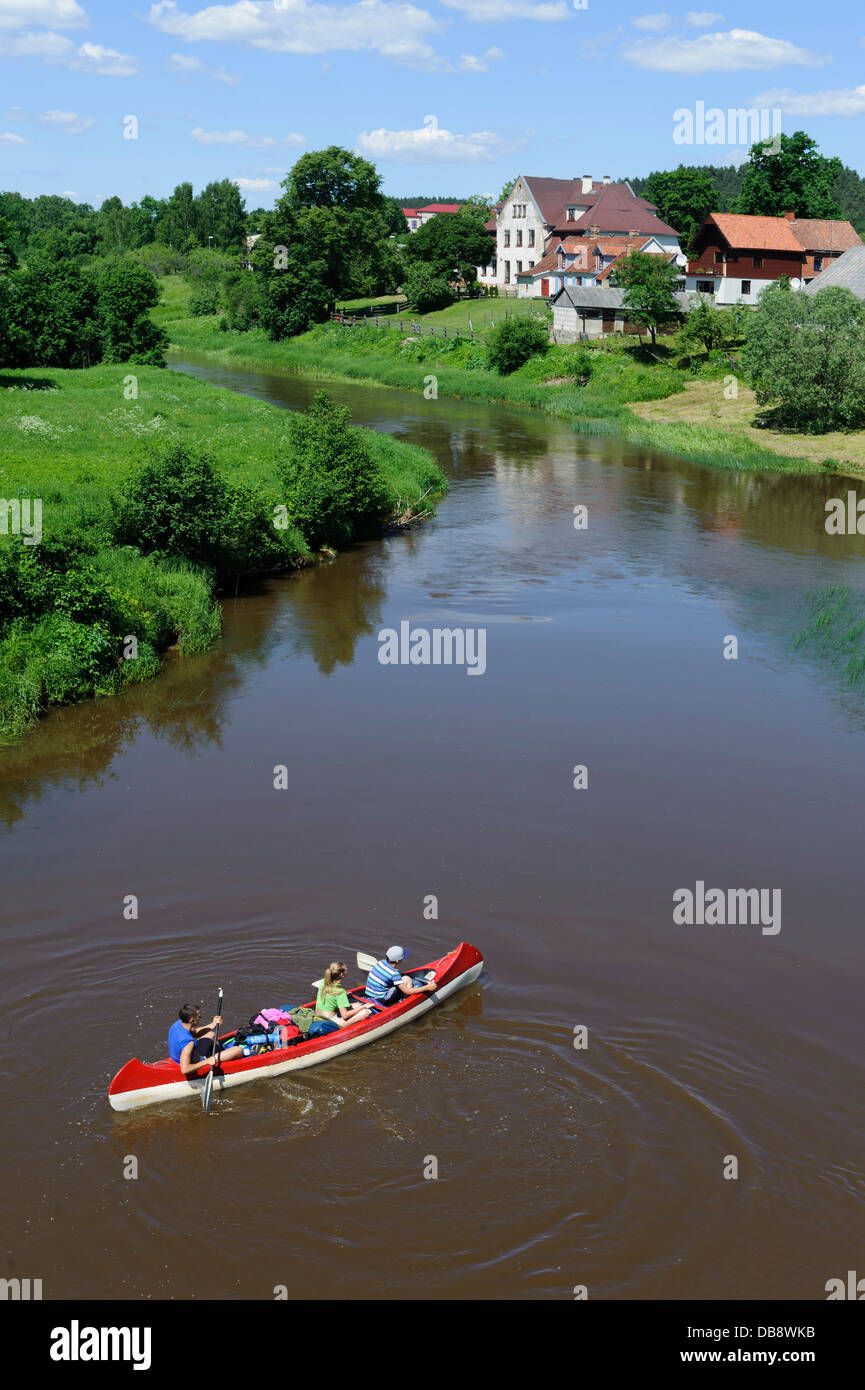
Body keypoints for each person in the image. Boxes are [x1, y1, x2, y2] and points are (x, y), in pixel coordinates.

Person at [168, 1003, 244, 1076]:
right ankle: (221, 1056)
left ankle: (221, 1053)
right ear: (192, 1021)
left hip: (192, 1054)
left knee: (211, 1034)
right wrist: (206, 1061)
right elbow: (184, 1070)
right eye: (199, 1017)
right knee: (238, 1050)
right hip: (195, 1061)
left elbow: (195, 1033)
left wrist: (213, 1025)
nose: (200, 1018)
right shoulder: (188, 1043)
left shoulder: (178, 1024)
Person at [309, 962, 374, 1038]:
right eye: (345, 970)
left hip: (319, 1016)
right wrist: (364, 1007)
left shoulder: (324, 982)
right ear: (342, 974)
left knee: (357, 1005)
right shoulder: (340, 992)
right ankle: (359, 1030)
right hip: (332, 1022)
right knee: (365, 1012)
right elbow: (345, 1016)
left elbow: (331, 995)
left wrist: (346, 997)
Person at [364, 946, 436, 1009]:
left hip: (368, 993)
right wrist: (427, 988)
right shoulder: (394, 974)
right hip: (381, 999)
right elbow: (407, 991)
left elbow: (386, 972)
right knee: (407, 979)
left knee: (402, 979)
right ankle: (405, 1000)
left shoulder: (380, 962)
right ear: (398, 961)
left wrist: (393, 972)